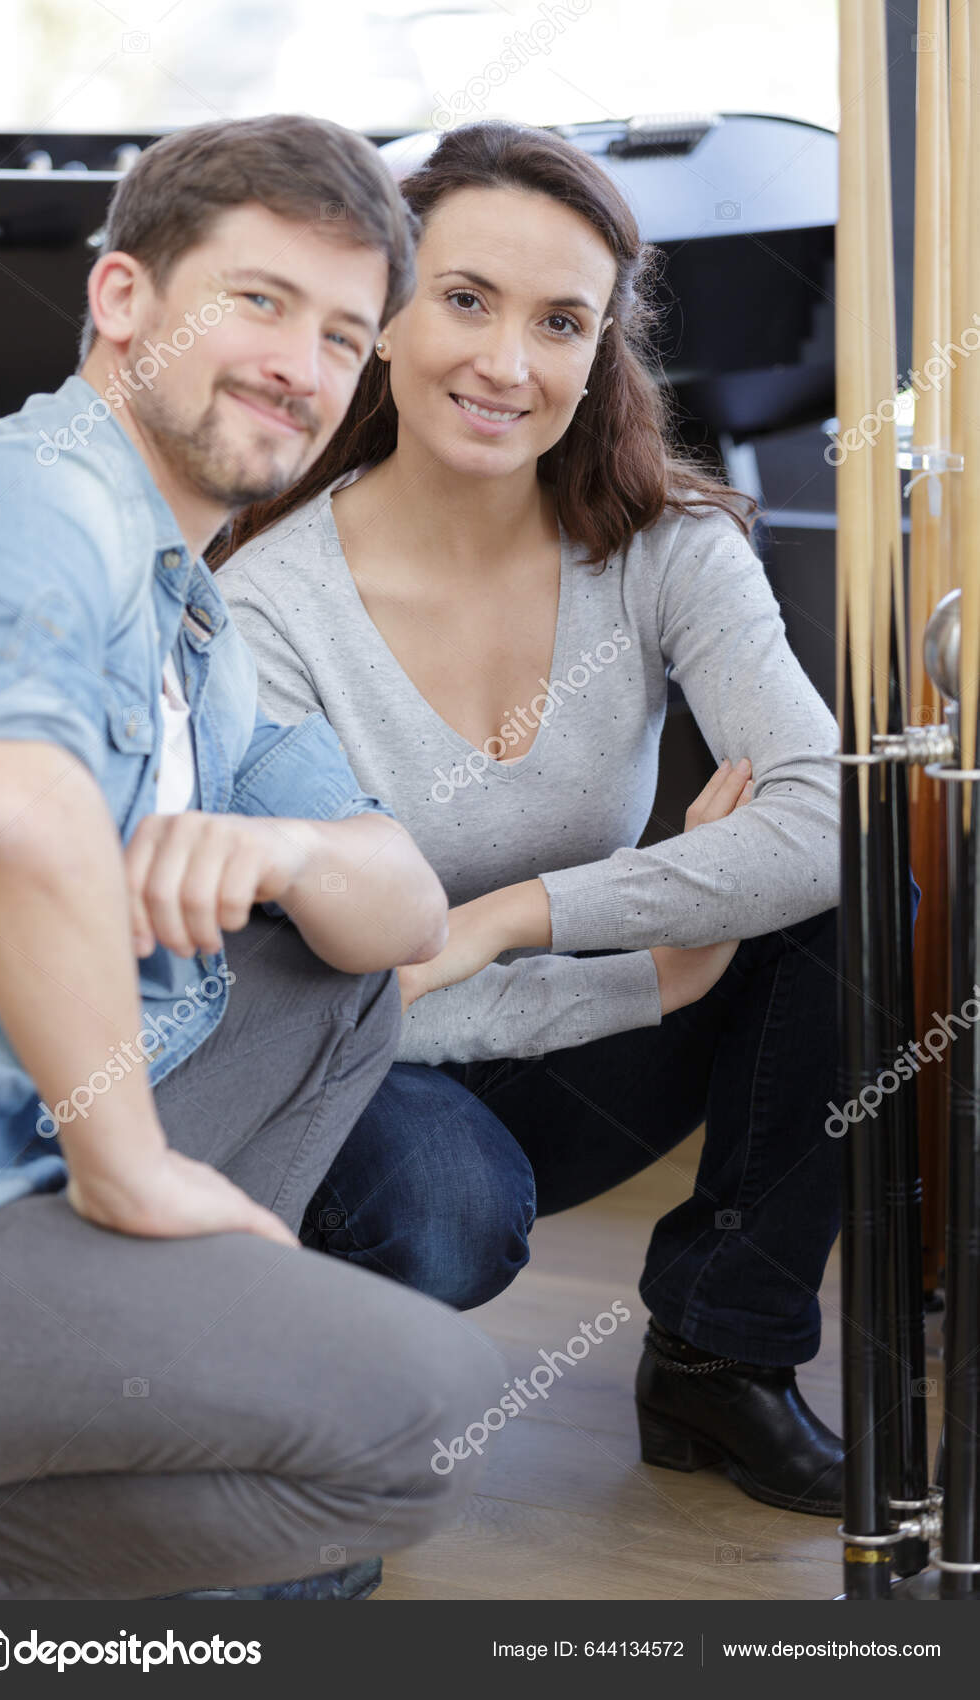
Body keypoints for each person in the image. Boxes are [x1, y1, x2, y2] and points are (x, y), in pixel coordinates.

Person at [213, 119, 923, 1518]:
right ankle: (278, 1352)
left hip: (571, 1029)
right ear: (389, 308)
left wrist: (522, 923)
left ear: (603, 350)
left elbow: (825, 817)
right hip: (360, 1069)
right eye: (467, 300)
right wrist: (659, 956)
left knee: (861, 900)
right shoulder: (266, 609)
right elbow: (337, 978)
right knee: (447, 1216)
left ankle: (721, 1364)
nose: (507, 365)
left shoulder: (672, 550)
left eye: (560, 322)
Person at [0, 113, 506, 1603]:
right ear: (121, 301)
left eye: (341, 333)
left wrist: (275, 844)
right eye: (256, 300)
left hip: (13, 1169)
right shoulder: (30, 501)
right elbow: (13, 805)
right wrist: (129, 1177)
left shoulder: (198, 624)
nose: (299, 366)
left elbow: (406, 910)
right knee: (420, 1419)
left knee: (327, 960)